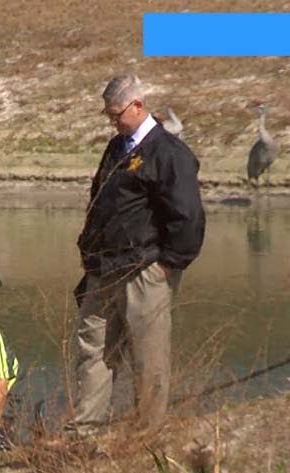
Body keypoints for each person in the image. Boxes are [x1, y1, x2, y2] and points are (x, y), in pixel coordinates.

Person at [67, 74, 205, 435]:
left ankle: (147, 435)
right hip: (103, 269)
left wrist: (167, 265)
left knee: (149, 357)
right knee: (93, 350)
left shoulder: (169, 153)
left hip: (145, 270)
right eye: (109, 115)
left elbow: (187, 216)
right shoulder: (116, 148)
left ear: (138, 105)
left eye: (116, 114)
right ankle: (87, 432)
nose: (112, 121)